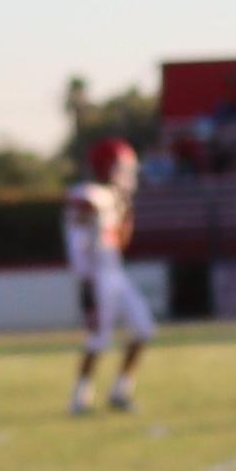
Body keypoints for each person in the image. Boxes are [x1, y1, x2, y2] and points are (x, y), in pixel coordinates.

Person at [62, 138, 152, 416]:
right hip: (96, 276)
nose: (129, 173)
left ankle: (120, 391)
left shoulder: (115, 199)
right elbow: (83, 206)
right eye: (123, 167)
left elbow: (119, 243)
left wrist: (125, 214)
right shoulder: (92, 193)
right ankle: (79, 397)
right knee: (98, 340)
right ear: (109, 167)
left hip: (115, 273)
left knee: (143, 328)